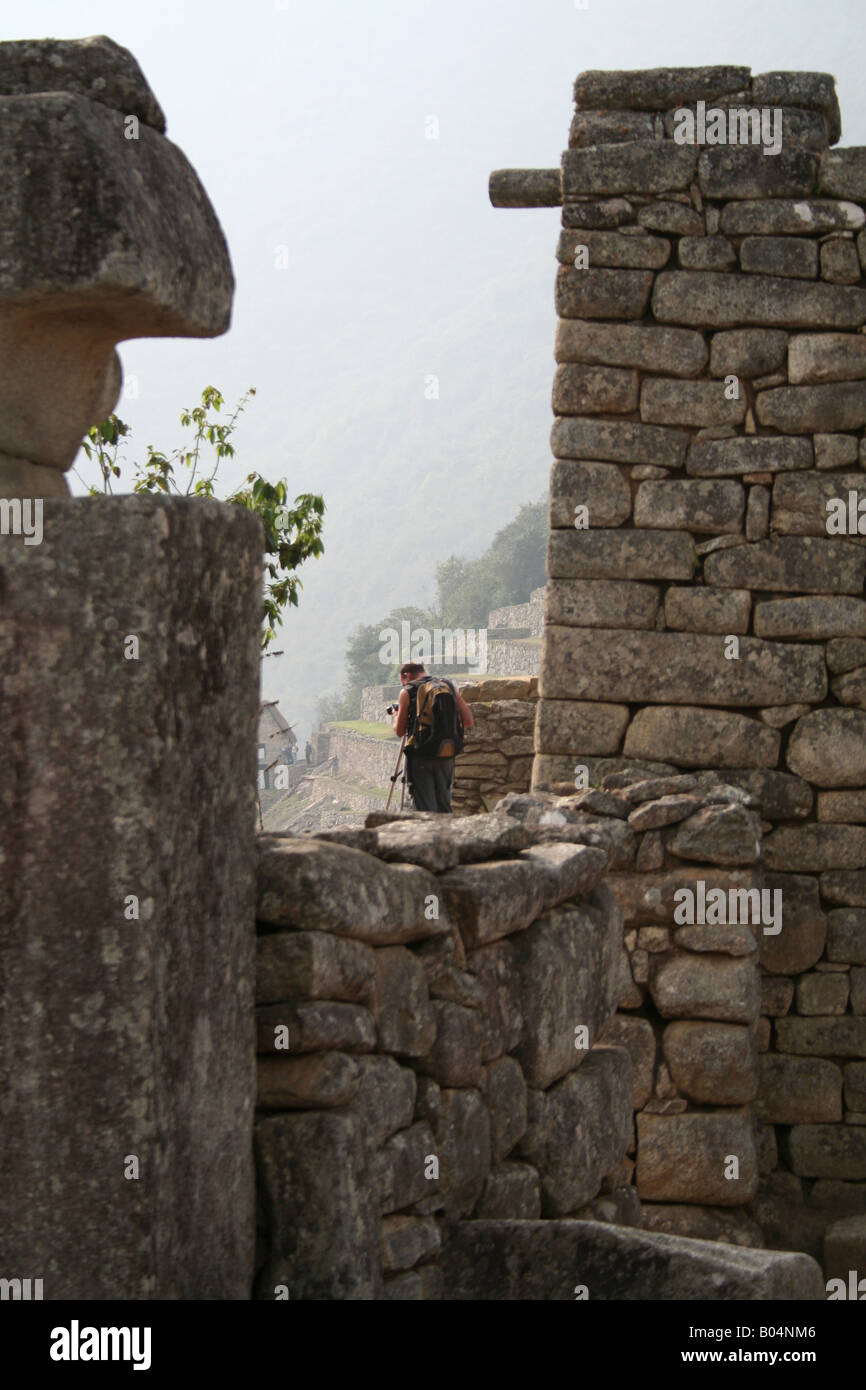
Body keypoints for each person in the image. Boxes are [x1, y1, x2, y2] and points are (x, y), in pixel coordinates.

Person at [390, 661, 474, 813]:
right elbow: (468, 721)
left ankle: (430, 836)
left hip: (420, 754)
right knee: (444, 804)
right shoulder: (448, 685)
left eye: (402, 682)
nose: (403, 685)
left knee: (426, 808)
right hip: (446, 752)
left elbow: (399, 731)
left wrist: (396, 715)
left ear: (406, 675)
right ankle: (447, 835)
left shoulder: (407, 691)